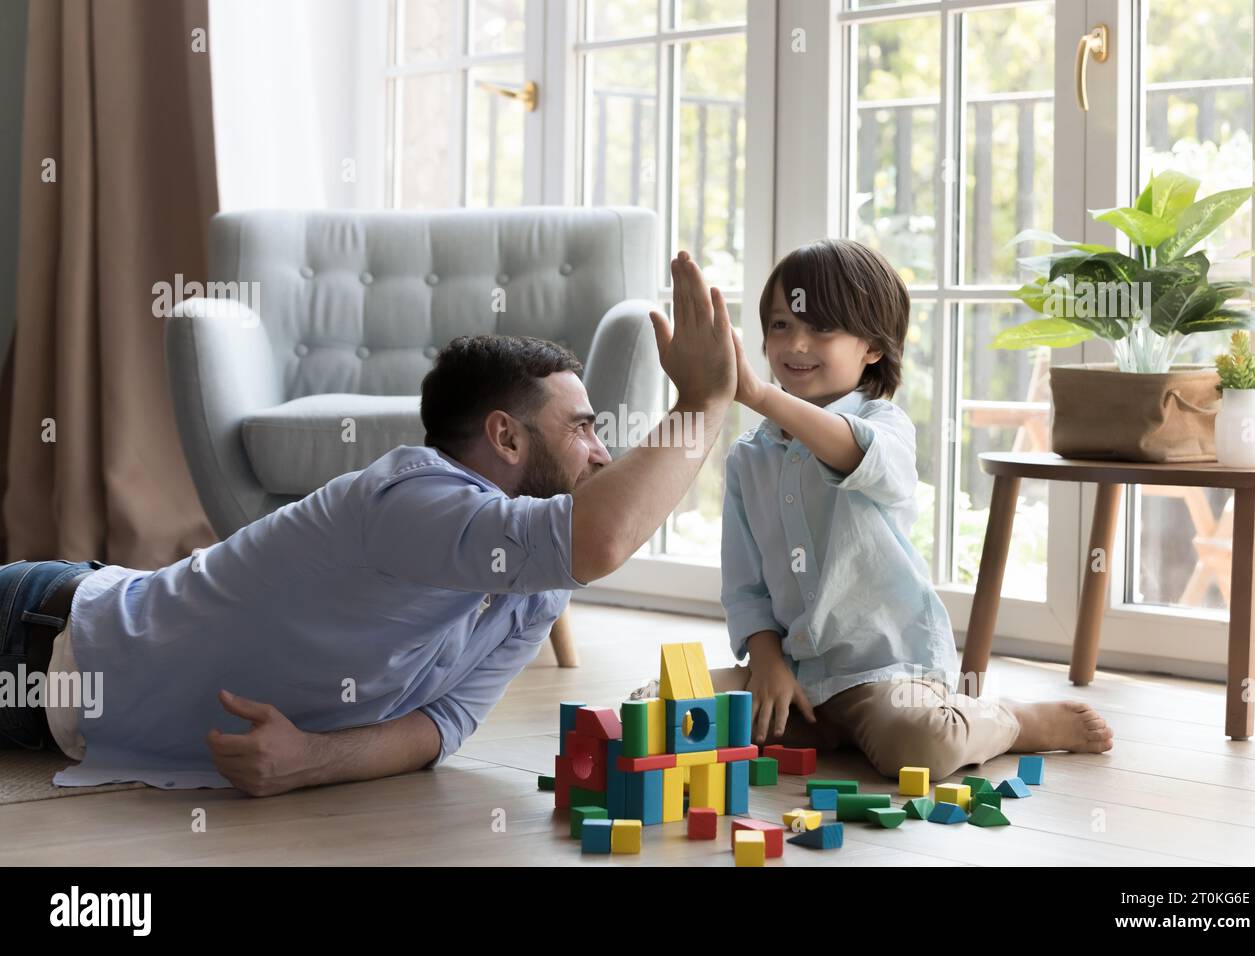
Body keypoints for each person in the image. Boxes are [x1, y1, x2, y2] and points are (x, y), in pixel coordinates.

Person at [0, 252, 737, 796]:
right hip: (35, 639)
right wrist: (702, 402)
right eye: (581, 428)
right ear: (506, 438)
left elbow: (442, 725)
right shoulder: (412, 499)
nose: (603, 453)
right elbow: (599, 540)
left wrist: (305, 762)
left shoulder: (534, 589)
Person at [631, 239, 1113, 779]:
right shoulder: (750, 458)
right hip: (793, 677)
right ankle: (827, 730)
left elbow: (850, 450)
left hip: (885, 675)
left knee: (922, 744)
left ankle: (1013, 721)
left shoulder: (886, 427)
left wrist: (757, 393)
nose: (797, 343)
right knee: (653, 705)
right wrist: (766, 663)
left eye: (822, 329)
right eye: (780, 325)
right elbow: (745, 589)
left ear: (873, 348)